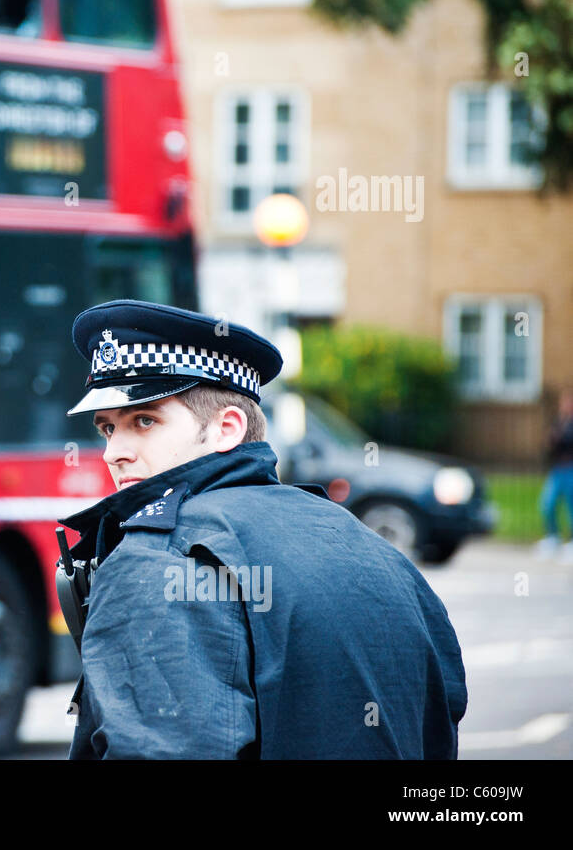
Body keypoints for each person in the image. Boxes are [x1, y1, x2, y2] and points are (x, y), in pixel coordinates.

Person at [56, 300, 467, 759]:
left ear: (226, 428)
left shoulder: (157, 559)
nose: (115, 452)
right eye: (108, 429)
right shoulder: (368, 545)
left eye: (144, 421)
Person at [536, 388, 573, 562]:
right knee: (547, 504)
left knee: (571, 507)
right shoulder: (559, 421)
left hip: (571, 468)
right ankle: (553, 537)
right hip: (557, 469)